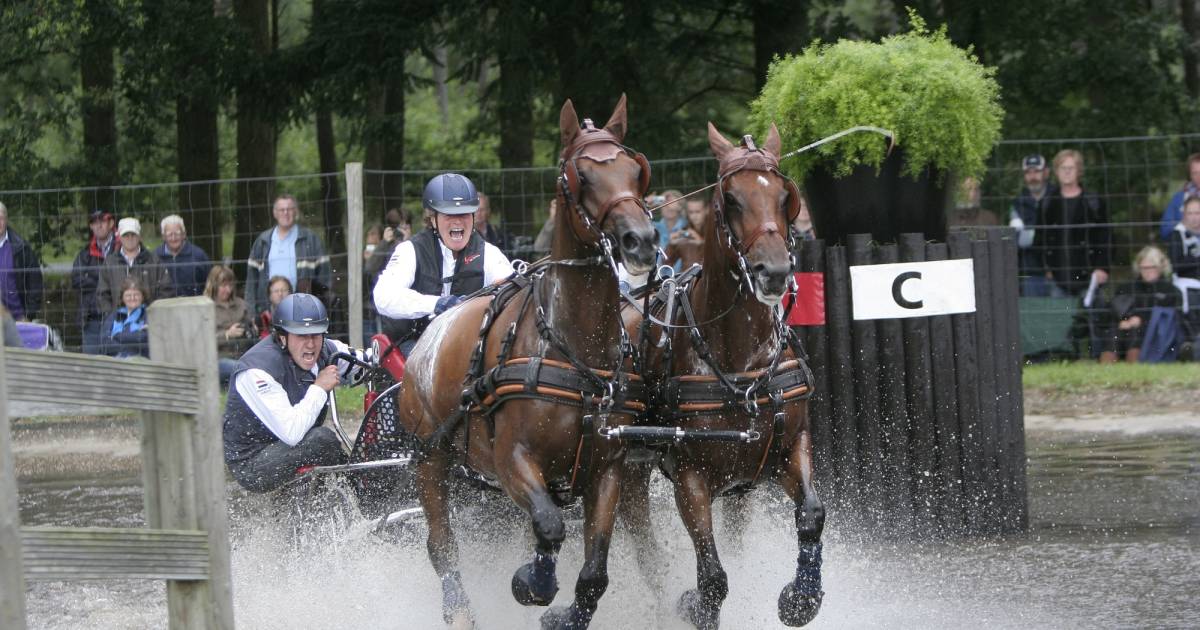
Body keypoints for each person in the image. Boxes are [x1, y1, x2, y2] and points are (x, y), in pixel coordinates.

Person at [222, 293, 370, 493]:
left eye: (316, 334)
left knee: (319, 441)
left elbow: (367, 360)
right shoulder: (257, 371)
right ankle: (359, 494)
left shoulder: (326, 349)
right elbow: (292, 433)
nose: (310, 344)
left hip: (288, 444)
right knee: (322, 440)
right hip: (251, 462)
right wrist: (319, 387)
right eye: (301, 336)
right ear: (283, 337)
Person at [373, 173, 514, 356]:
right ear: (433, 219)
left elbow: (511, 294)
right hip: (412, 344)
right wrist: (437, 304)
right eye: (449, 214)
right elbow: (383, 297)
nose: (458, 221)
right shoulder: (410, 250)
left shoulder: (489, 253)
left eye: (464, 214)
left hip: (468, 348)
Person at [1035, 149, 1112, 297]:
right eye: (1063, 168)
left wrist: (1102, 267)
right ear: (1056, 171)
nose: (1067, 172)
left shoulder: (1094, 202)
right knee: (1059, 312)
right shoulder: (1047, 203)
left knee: (1091, 312)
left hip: (1090, 276)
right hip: (1057, 278)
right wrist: (1046, 268)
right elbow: (1039, 239)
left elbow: (1106, 238)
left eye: (1071, 167)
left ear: (1079, 171)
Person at [244, 194, 332, 316]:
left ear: (296, 212)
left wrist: (318, 308)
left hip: (303, 310)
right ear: (275, 213)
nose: (285, 213)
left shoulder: (311, 240)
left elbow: (325, 278)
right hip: (268, 311)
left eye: (289, 209)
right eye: (281, 210)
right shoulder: (262, 241)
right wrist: (253, 313)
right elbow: (251, 281)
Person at [1102, 246, 1180, 363]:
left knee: (1136, 334)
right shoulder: (1127, 287)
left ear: (1160, 267)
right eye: (1144, 268)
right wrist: (1125, 320)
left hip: (1153, 332)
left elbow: (1167, 318)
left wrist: (1141, 320)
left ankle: (1135, 368)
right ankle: (1106, 368)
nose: (1147, 272)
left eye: (1151, 267)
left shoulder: (1169, 290)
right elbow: (1113, 309)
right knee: (1114, 333)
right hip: (1124, 328)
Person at [97, 217, 175, 315]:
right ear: (119, 237)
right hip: (118, 321)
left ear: (139, 236)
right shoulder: (109, 263)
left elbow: (166, 291)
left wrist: (152, 315)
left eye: (133, 234)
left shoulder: (154, 261)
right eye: (126, 235)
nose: (130, 238)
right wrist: (112, 317)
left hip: (149, 320)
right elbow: (102, 294)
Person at [1009, 154, 1059, 296]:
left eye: (1036, 171)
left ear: (1046, 172)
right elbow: (1019, 241)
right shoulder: (1018, 203)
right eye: (1028, 172)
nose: (1033, 177)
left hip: (1060, 270)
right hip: (1031, 272)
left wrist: (1030, 232)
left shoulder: (1058, 197)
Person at [72, 209, 117, 353]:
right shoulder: (85, 253)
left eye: (102, 221)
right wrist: (104, 280)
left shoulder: (121, 248)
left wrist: (91, 277)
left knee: (115, 361)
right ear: (91, 226)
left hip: (117, 317)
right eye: (94, 223)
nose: (99, 226)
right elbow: (76, 280)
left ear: (111, 223)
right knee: (90, 363)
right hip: (91, 318)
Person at [204, 265, 256, 385]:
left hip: (243, 354)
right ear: (214, 285)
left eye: (230, 285)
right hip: (219, 359)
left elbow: (251, 332)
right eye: (223, 286)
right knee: (240, 368)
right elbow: (203, 341)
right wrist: (227, 334)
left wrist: (253, 329)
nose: (228, 290)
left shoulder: (240, 304)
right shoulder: (205, 307)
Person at [0, 201, 44, 321]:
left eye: (1, 218)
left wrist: (29, 314)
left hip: (18, 318)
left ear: (6, 220)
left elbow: (35, 282)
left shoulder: (21, 248)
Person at [154, 214, 211, 297]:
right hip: (163, 304)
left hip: (194, 303)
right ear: (163, 237)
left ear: (184, 234)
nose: (173, 238)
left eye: (177, 234)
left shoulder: (199, 255)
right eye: (169, 234)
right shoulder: (155, 257)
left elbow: (210, 285)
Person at [100, 276, 150, 359]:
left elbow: (143, 339)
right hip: (113, 361)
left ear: (142, 296)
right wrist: (127, 346)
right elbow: (104, 341)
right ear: (122, 297)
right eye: (128, 295)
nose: (132, 298)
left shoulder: (148, 315)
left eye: (136, 295)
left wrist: (116, 335)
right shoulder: (114, 315)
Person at [1158, 153, 1200, 241]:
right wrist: (1185, 227)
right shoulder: (1179, 198)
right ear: (1190, 175)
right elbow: (1165, 230)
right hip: (1185, 248)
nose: (1199, 177)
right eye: (1195, 173)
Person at [664, 196, 707, 271]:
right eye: (691, 212)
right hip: (688, 277)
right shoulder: (684, 232)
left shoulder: (715, 230)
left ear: (706, 210)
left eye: (697, 211)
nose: (694, 216)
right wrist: (671, 245)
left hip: (709, 276)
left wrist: (701, 243)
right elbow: (666, 264)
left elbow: (721, 257)